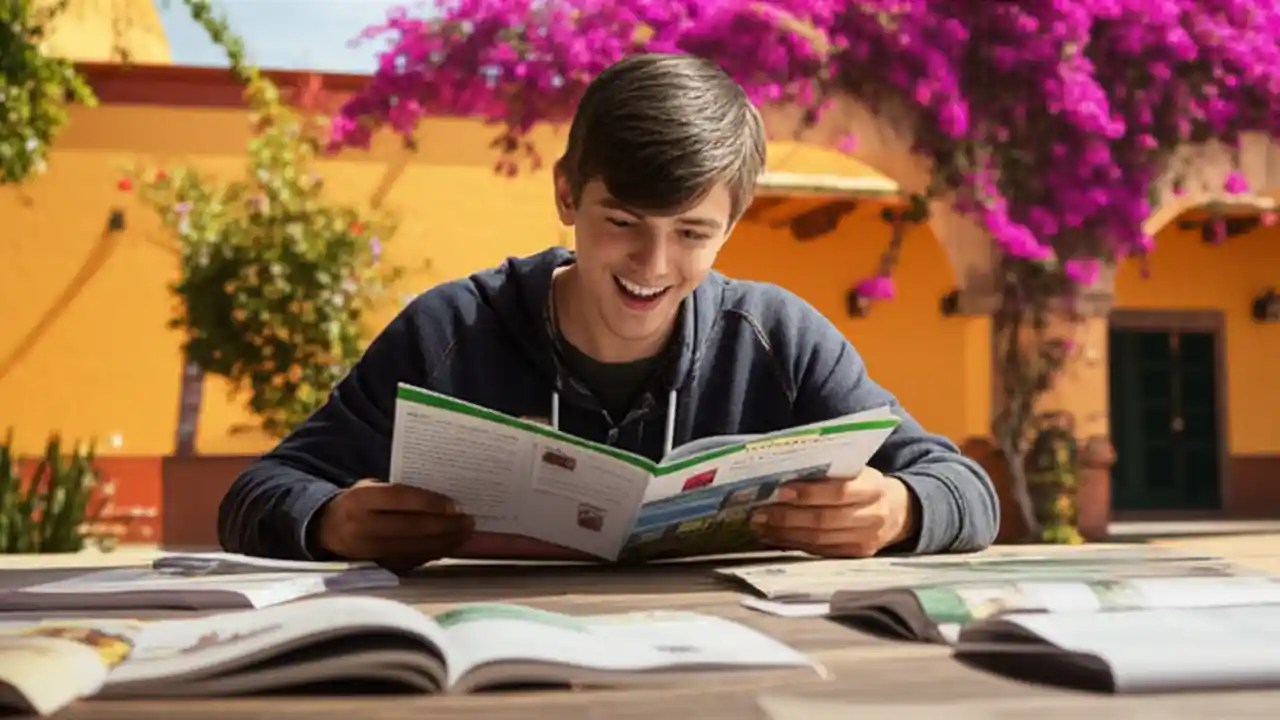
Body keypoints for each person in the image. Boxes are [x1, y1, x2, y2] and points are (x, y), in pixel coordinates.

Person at [217, 53, 1000, 572]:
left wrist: (902, 508)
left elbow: (966, 488)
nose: (652, 267)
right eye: (622, 222)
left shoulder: (780, 341)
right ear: (566, 193)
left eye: (692, 234)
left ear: (733, 222)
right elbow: (259, 491)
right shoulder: (450, 332)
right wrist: (329, 521)